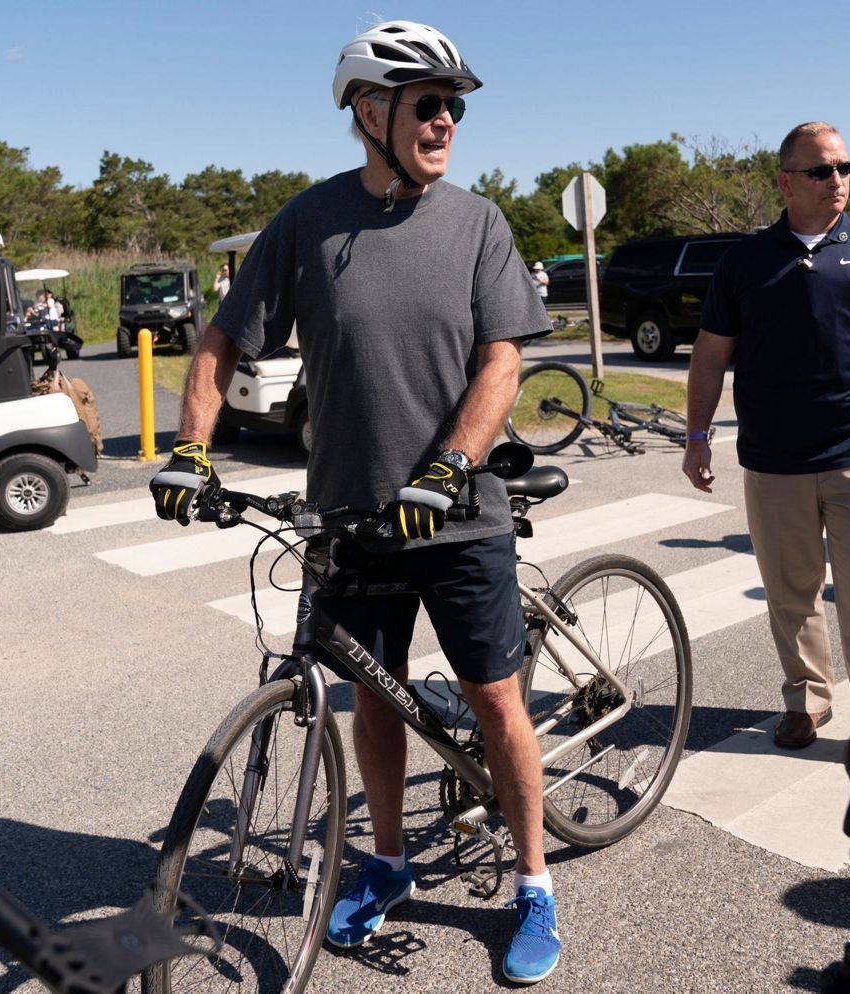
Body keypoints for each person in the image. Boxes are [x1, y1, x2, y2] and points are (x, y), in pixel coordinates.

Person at [149, 20, 560, 984]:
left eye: (456, 104)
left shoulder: (478, 223)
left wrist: (453, 465)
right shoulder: (306, 222)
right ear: (369, 112)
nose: (448, 118)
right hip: (349, 517)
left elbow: (503, 359)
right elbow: (222, 341)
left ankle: (536, 882)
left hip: (457, 512)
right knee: (373, 701)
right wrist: (188, 450)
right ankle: (386, 859)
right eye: (429, 102)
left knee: (495, 700)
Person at [682, 121, 850, 750]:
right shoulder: (745, 261)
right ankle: (807, 702)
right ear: (785, 182)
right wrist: (696, 436)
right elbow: (709, 354)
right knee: (791, 594)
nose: (838, 180)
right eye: (821, 170)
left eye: (844, 167)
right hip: (775, 464)